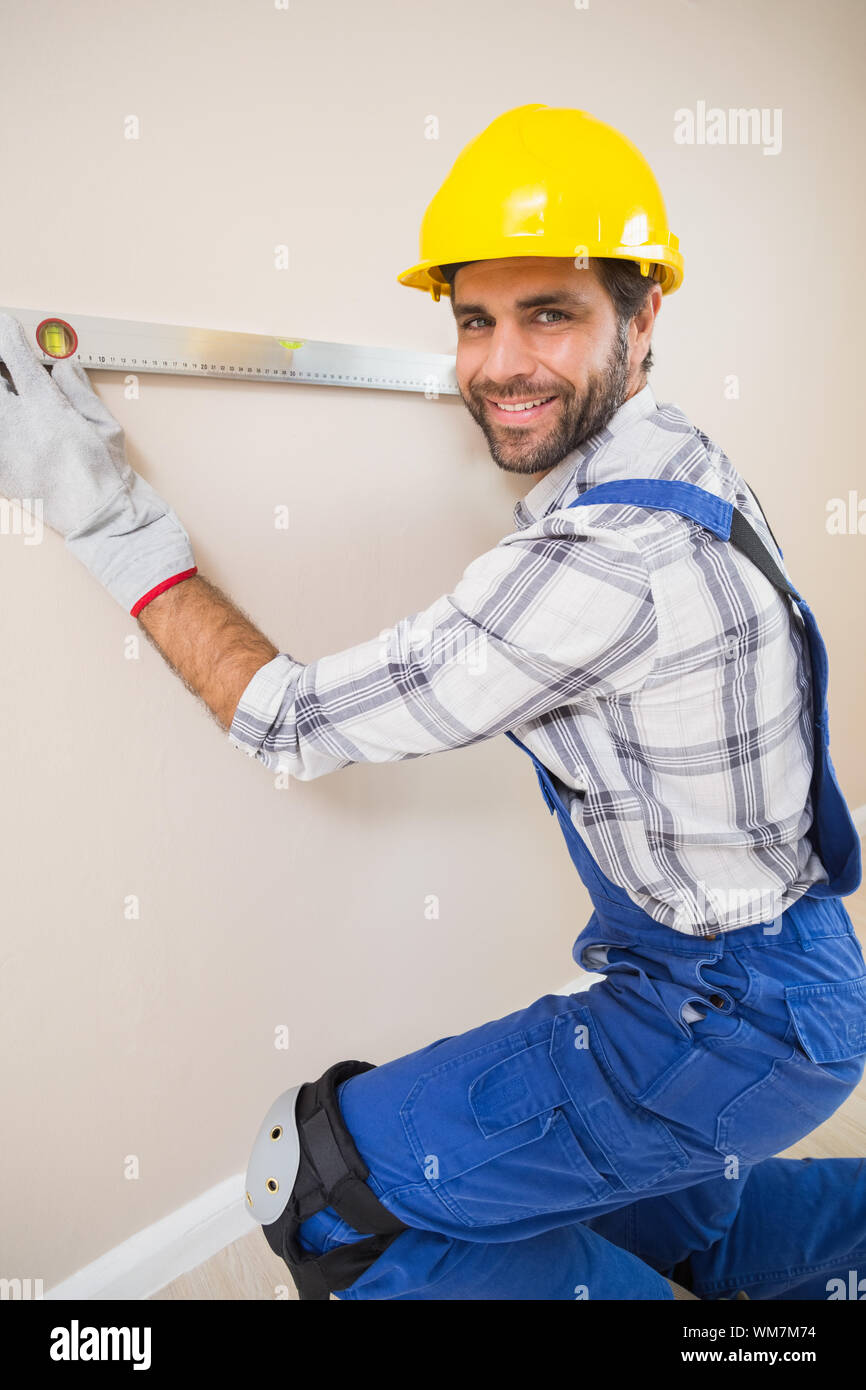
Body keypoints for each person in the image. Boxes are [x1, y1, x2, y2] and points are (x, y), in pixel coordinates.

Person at [1, 104, 864, 1302]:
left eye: (548, 314)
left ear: (642, 312)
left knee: (319, 1195)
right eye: (473, 321)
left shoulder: (601, 558)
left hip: (720, 1018)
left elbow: (289, 722)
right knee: (686, 1240)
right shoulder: (673, 458)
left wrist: (112, 522)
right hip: (788, 975)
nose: (499, 363)